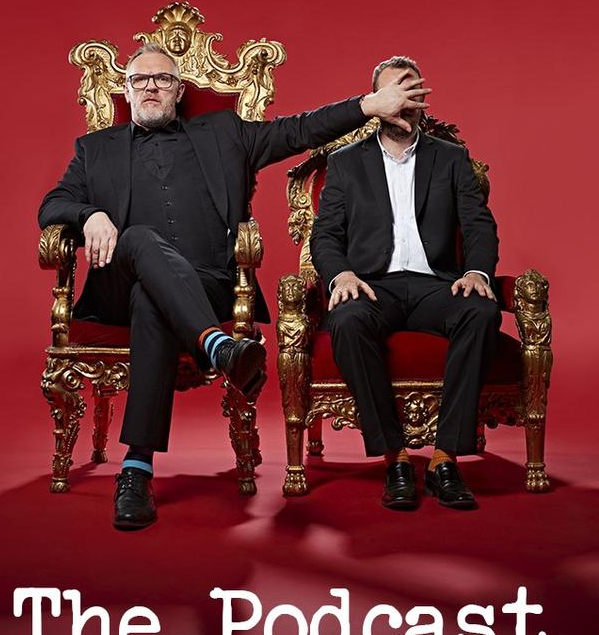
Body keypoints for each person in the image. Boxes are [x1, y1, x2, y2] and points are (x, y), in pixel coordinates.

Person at [38, 44, 431, 529]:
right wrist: (89, 213)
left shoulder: (225, 133)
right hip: (117, 285)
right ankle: (218, 347)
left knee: (151, 298)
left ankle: (136, 470)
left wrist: (368, 105)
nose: (151, 87)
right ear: (127, 90)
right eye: (140, 80)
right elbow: (51, 205)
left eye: (162, 79)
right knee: (139, 241)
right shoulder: (95, 148)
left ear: (179, 90)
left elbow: (298, 130)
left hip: (208, 285)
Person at [310, 55, 500, 511]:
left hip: (438, 286)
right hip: (373, 286)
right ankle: (394, 458)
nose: (405, 99)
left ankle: (444, 460)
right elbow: (325, 235)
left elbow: (478, 225)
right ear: (377, 100)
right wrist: (341, 275)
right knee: (347, 320)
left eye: (413, 90)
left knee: (481, 311)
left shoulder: (450, 157)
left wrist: (476, 271)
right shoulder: (346, 163)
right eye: (395, 89)